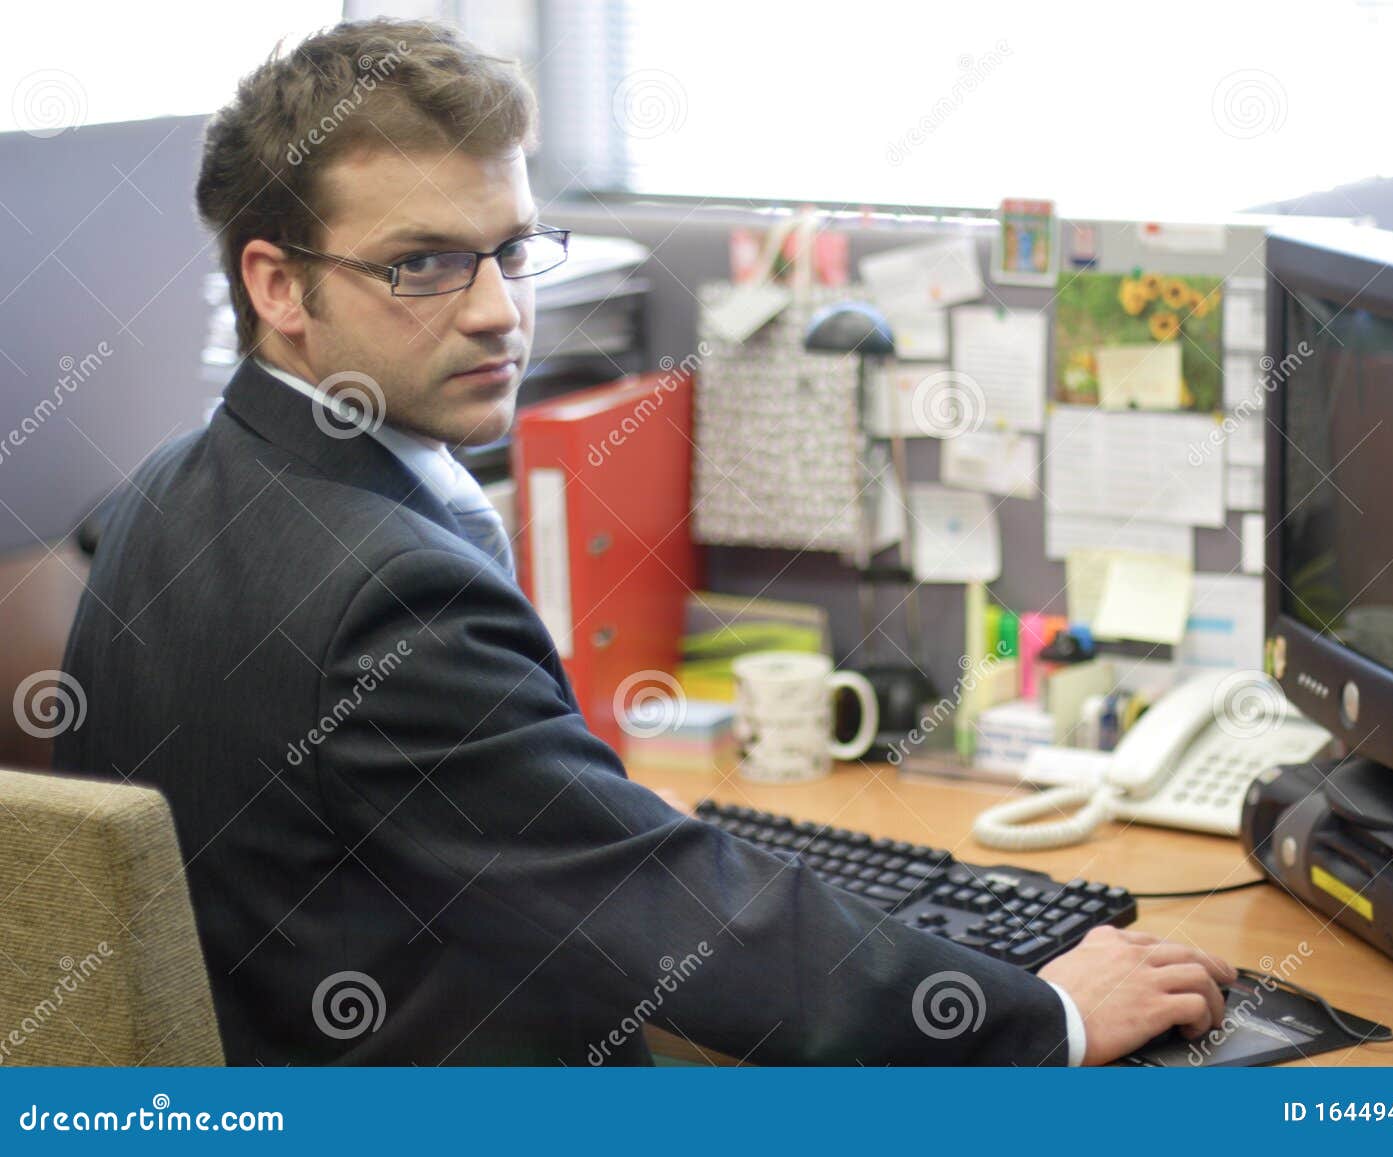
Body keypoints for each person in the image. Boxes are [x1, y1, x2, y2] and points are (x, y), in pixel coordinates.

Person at [54, 18, 1232, 1066]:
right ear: (277, 286)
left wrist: (605, 824)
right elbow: (676, 917)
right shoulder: (390, 597)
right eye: (423, 264)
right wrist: (1040, 1014)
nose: (497, 310)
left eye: (512, 248)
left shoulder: (164, 492)